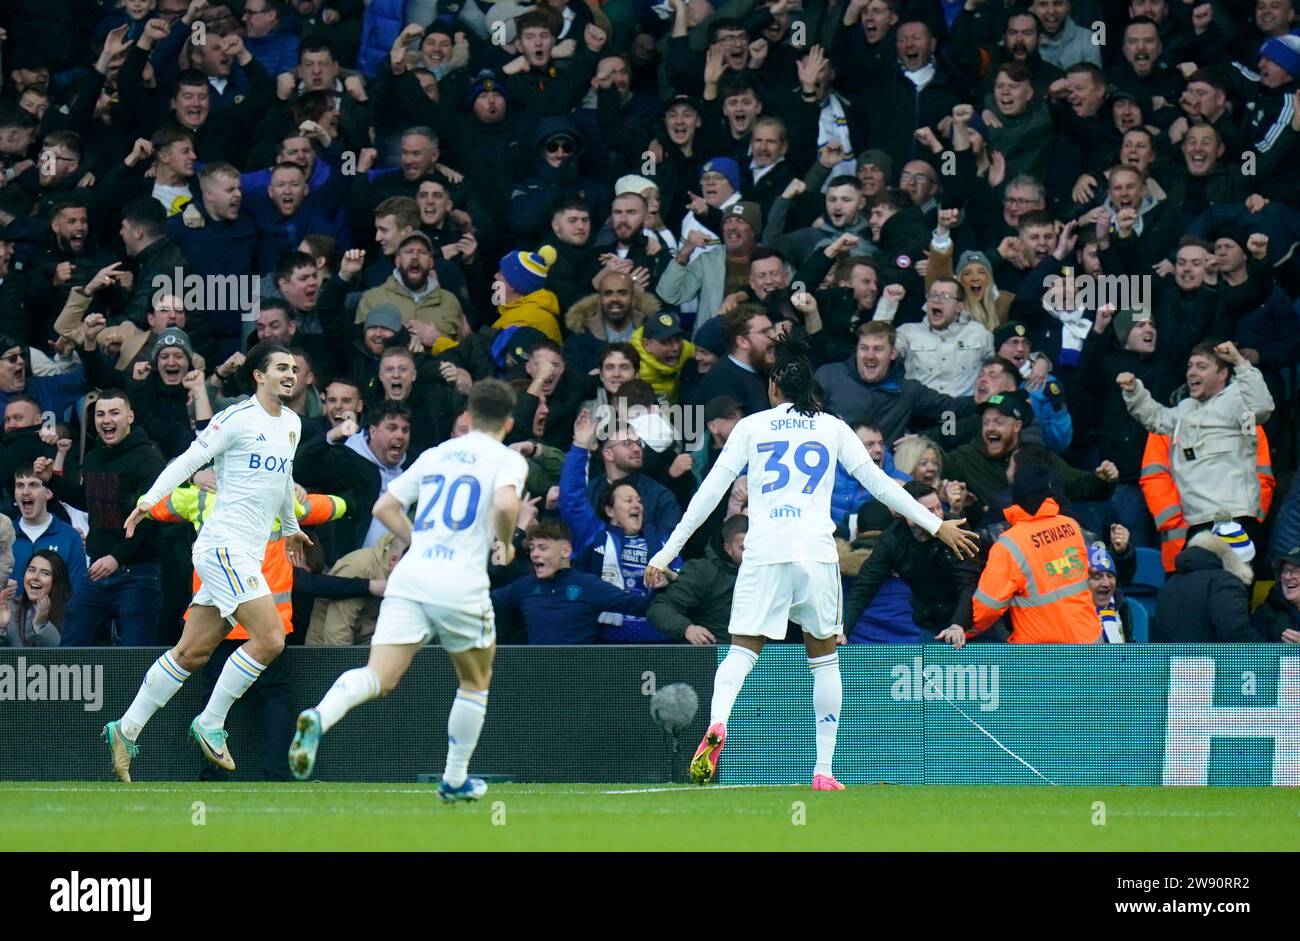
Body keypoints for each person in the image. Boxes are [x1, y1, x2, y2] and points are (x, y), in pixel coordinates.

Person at [644, 330, 977, 790]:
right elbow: (881, 484)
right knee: (824, 661)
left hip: (766, 550)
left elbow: (709, 495)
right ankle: (823, 769)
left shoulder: (751, 427)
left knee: (741, 650)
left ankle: (718, 722)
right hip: (817, 553)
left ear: (775, 388)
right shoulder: (833, 427)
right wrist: (937, 523)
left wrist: (666, 553)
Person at [288, 379, 528, 803]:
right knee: (474, 682)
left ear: (467, 416)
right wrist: (506, 543)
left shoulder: (436, 454)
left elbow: (384, 507)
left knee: (378, 675)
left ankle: (319, 716)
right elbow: (507, 506)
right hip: (460, 581)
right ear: (508, 422)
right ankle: (454, 779)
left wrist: (419, 541)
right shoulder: (506, 459)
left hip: (410, 576)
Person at [101, 342, 310, 783]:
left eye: (293, 368)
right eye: (280, 368)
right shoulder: (235, 419)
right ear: (258, 375)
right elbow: (188, 461)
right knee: (270, 639)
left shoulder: (292, 424)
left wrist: (290, 527)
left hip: (244, 552)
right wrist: (147, 501)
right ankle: (212, 722)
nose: (290, 374)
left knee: (192, 652)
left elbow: (282, 483)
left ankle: (125, 728)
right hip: (223, 547)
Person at [1119, 341, 1274, 545]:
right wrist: (1134, 392)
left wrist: (1239, 361)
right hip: (1197, 521)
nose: (1191, 372)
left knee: (1228, 577)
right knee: (1195, 573)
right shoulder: (1186, 409)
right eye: (1190, 366)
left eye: (1202, 367)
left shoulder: (1237, 401)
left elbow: (1261, 407)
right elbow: (1157, 419)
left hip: (1233, 518)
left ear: (1223, 374)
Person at [941, 464, 1102, 647]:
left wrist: (964, 628)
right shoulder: (1071, 526)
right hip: (1090, 642)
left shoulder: (1010, 544)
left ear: (1014, 497)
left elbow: (988, 605)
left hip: (1040, 653)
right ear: (1049, 493)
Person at [647, 514, 747, 645]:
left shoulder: (772, 571)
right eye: (743, 548)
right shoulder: (702, 572)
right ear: (727, 548)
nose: (750, 553)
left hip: (771, 655)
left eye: (755, 546)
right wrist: (687, 628)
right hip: (715, 653)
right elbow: (659, 608)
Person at [1151, 525, 1260, 643]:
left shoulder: (1172, 582)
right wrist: (1271, 656)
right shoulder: (1226, 583)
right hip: (1208, 660)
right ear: (1237, 562)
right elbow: (1236, 634)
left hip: (1171, 659)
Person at [0, 549, 72, 647]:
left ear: (56, 581)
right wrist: (1, 626)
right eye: (31, 570)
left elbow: (62, 656)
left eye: (45, 573)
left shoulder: (71, 611)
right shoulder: (9, 607)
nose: (35, 577)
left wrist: (40, 624)